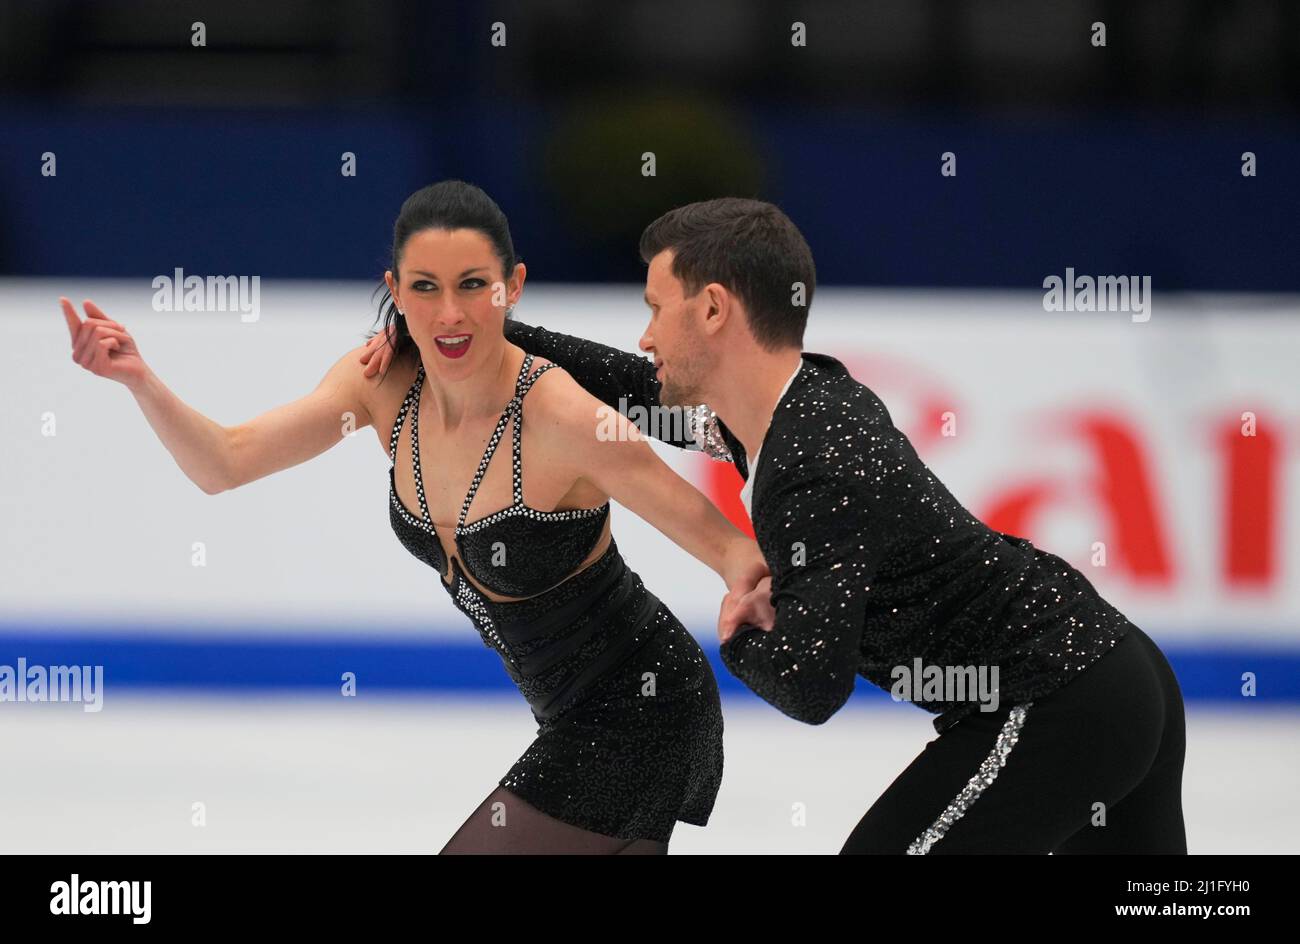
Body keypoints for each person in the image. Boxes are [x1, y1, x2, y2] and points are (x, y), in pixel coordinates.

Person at [361, 196, 1188, 854]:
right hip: (1116, 671)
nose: (646, 336)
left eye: (657, 308)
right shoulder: (783, 410)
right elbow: (625, 383)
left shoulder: (811, 461)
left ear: (713, 309)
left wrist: (741, 633)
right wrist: (456, 334)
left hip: (1055, 698)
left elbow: (810, 686)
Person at [59, 180, 769, 855]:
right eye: (424, 287)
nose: (450, 315)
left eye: (471, 286)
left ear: (511, 288)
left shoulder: (563, 418)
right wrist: (138, 379)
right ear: (395, 290)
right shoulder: (379, 386)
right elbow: (226, 462)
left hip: (640, 708)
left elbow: (725, 545)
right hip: (568, 718)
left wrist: (766, 584)